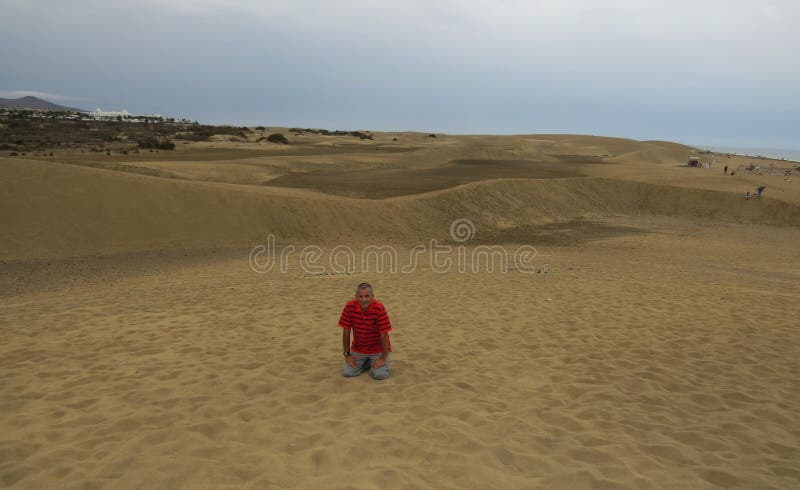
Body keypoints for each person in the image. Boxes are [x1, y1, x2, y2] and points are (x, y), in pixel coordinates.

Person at [338, 282, 393, 380]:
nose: (363, 300)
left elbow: (384, 335)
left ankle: (373, 363)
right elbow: (346, 331)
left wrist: (383, 358)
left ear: (372, 296)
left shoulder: (379, 308)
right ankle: (367, 363)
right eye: (360, 296)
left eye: (367, 296)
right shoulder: (349, 307)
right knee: (347, 373)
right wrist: (347, 354)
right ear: (356, 296)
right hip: (359, 349)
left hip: (377, 349)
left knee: (379, 375)